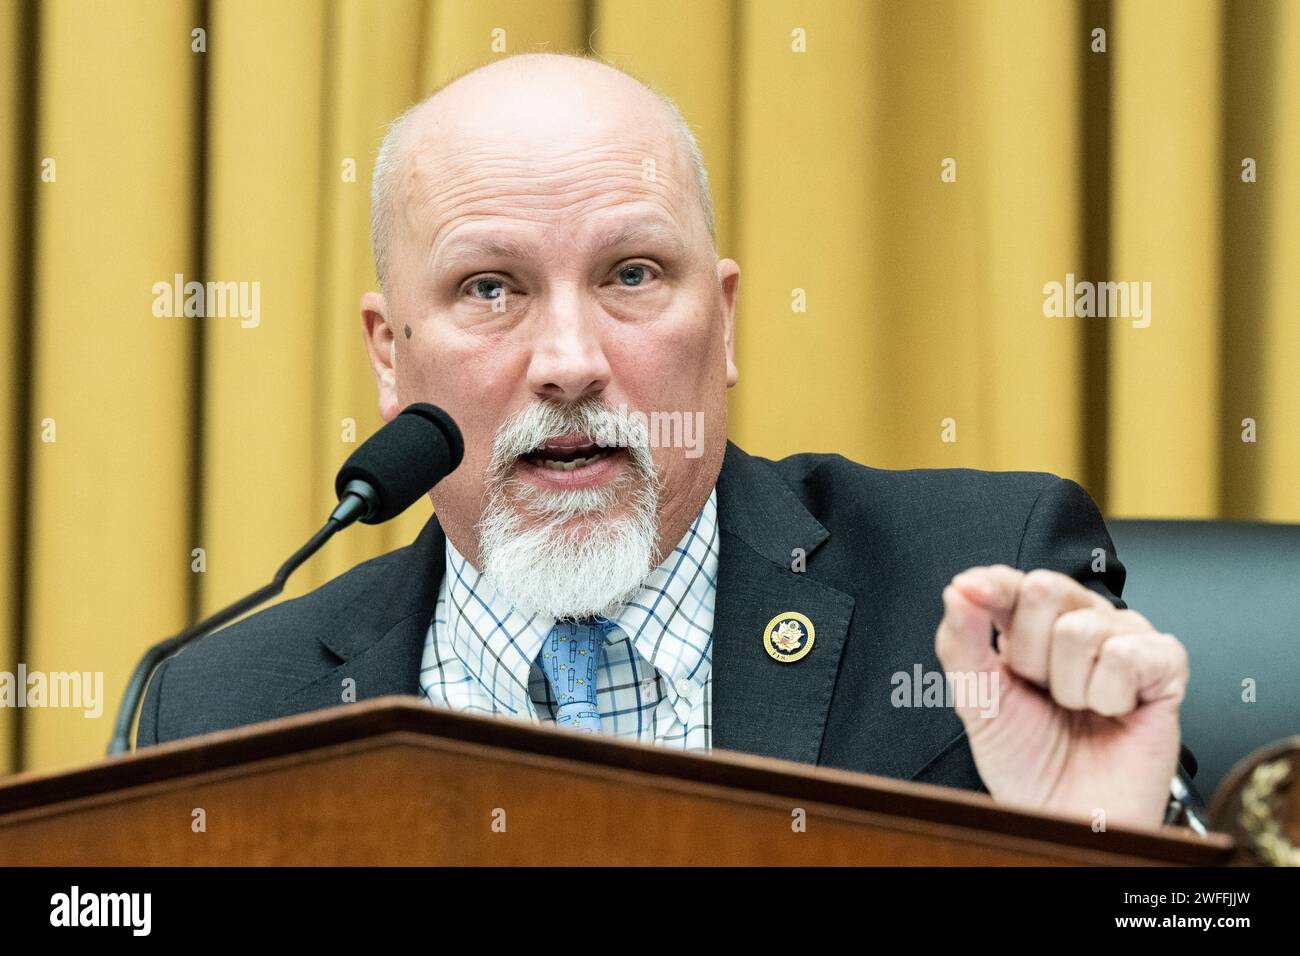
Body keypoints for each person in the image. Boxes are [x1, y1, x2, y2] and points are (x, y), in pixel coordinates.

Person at [139, 52, 1193, 830]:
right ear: (388, 352)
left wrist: (1119, 863)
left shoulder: (972, 585)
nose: (568, 360)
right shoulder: (226, 707)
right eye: (489, 287)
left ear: (722, 319)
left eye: (631, 274)